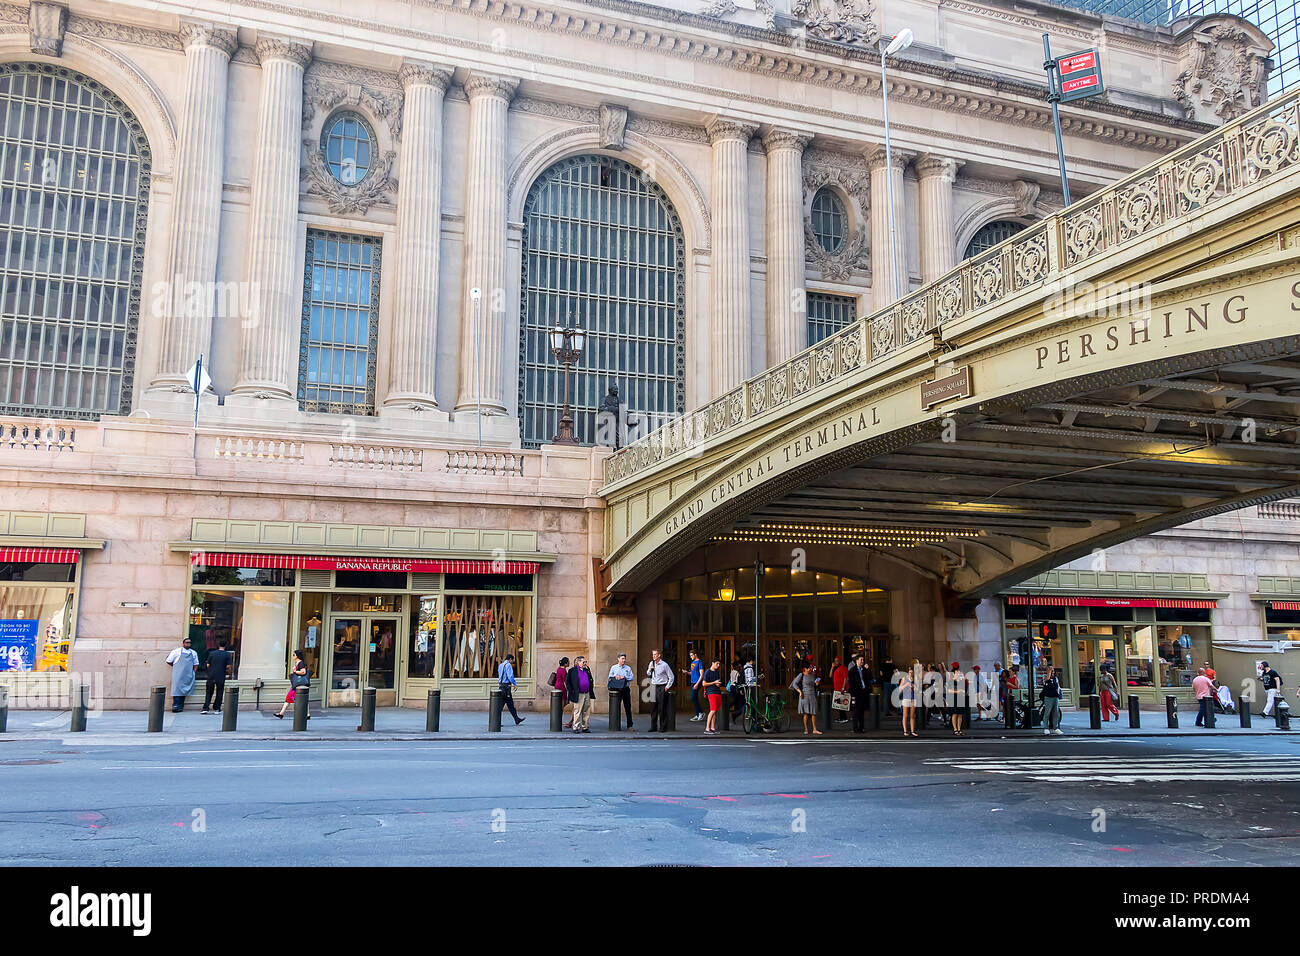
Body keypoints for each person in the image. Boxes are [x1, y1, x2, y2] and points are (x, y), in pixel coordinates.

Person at [165, 637, 200, 713]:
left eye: (189, 643)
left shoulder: (193, 653)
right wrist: (176, 667)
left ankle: (181, 706)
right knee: (176, 690)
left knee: (184, 690)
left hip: (188, 675)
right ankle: (175, 706)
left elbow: (196, 663)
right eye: (187, 642)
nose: (188, 644)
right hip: (178, 674)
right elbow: (168, 660)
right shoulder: (176, 651)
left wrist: (193, 672)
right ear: (183, 643)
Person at [201, 639, 233, 714]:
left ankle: (206, 708)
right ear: (225, 645)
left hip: (211, 675)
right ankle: (216, 708)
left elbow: (208, 665)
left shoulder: (212, 653)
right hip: (221, 675)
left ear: (218, 645)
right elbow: (228, 666)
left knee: (209, 692)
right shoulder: (227, 654)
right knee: (219, 692)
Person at [276, 649, 309, 719]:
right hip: (297, 684)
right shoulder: (297, 663)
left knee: (290, 697)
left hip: (298, 685)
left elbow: (303, 672)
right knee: (302, 699)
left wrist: (295, 671)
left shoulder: (300, 663)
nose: (293, 656)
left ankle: (281, 713)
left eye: (294, 655)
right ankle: (281, 713)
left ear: (297, 656)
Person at [790, 662, 822, 735]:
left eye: (811, 667)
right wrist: (800, 692)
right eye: (809, 668)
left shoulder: (812, 675)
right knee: (806, 713)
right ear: (805, 669)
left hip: (812, 694)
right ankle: (806, 729)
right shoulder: (801, 675)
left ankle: (814, 729)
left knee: (814, 712)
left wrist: (817, 683)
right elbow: (794, 684)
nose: (811, 669)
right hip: (804, 695)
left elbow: (814, 683)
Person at [647, 649, 674, 732]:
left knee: (662, 708)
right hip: (653, 686)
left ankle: (662, 727)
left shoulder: (664, 665)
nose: (653, 656)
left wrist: (667, 687)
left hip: (662, 687)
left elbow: (671, 676)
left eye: (655, 654)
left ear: (659, 655)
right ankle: (653, 726)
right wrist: (650, 670)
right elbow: (648, 673)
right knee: (653, 708)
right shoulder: (651, 663)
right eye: (653, 654)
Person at [566, 655, 595, 733]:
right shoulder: (572, 670)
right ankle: (576, 727)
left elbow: (590, 679)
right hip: (578, 694)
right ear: (578, 662)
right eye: (583, 662)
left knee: (586, 710)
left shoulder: (587, 670)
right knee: (577, 711)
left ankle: (585, 727)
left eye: (585, 662)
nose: (585, 663)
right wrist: (571, 691)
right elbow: (567, 682)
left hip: (587, 693)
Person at [608, 652, 635, 730]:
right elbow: (610, 677)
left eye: (624, 659)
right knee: (616, 707)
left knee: (628, 707)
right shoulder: (614, 667)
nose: (624, 660)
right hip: (616, 690)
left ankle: (630, 725)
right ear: (618, 659)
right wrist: (616, 676)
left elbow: (632, 677)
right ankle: (615, 724)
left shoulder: (628, 668)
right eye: (622, 658)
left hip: (625, 689)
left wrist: (624, 677)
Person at [497, 653, 525, 726]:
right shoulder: (508, 665)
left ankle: (516, 719)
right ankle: (496, 722)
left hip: (501, 686)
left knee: (509, 705)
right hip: (506, 687)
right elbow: (510, 676)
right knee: (502, 705)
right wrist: (515, 684)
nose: (513, 662)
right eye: (512, 660)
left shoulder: (500, 665)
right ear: (510, 659)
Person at [847, 653, 870, 733]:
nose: (862, 661)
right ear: (857, 661)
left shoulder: (863, 669)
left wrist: (867, 670)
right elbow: (851, 684)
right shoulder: (852, 671)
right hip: (856, 693)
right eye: (861, 660)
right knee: (856, 711)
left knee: (862, 711)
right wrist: (853, 695)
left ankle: (861, 728)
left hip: (863, 692)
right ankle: (855, 728)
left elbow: (869, 678)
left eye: (863, 660)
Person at [702, 658, 724, 735]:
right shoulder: (707, 672)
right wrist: (714, 682)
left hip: (717, 692)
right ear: (713, 663)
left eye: (719, 664)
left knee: (715, 711)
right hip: (711, 692)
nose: (718, 665)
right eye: (717, 664)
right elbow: (704, 684)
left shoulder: (716, 672)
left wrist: (717, 684)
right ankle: (707, 728)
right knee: (713, 710)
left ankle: (712, 728)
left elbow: (716, 682)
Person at [1041, 665, 1063, 735]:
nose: (1052, 672)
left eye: (1053, 670)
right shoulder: (1046, 677)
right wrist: (1049, 672)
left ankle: (1055, 727)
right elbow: (1046, 680)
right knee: (1047, 712)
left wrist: (1059, 693)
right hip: (1048, 697)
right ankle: (1046, 728)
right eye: (1051, 670)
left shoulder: (1055, 678)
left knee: (1056, 712)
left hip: (1055, 697)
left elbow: (1058, 686)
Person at [949, 662, 968, 737]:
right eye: (957, 673)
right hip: (954, 697)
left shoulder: (961, 680)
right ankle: (955, 729)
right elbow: (949, 690)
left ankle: (959, 729)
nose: (958, 674)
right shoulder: (951, 680)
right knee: (955, 713)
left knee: (960, 714)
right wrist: (958, 691)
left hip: (960, 697)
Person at [900, 662, 918, 737]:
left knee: (912, 716)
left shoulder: (916, 679)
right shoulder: (904, 679)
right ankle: (905, 731)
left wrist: (914, 688)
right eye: (909, 672)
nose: (911, 673)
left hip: (913, 698)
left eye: (912, 672)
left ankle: (912, 731)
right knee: (905, 715)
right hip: (906, 698)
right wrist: (906, 685)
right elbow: (900, 688)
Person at [552, 656, 571, 728]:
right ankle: (559, 719)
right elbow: (564, 682)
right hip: (562, 688)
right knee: (561, 705)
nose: (569, 663)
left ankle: (559, 719)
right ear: (565, 663)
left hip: (557, 686)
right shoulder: (563, 670)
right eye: (568, 662)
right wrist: (568, 689)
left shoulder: (559, 669)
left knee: (560, 704)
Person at [686, 650, 704, 722]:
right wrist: (687, 672)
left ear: (695, 654)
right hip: (692, 682)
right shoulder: (692, 662)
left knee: (693, 697)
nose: (690, 657)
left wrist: (697, 684)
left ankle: (701, 713)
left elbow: (701, 674)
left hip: (697, 682)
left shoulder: (700, 662)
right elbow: (692, 673)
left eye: (691, 655)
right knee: (695, 698)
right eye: (690, 656)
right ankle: (698, 714)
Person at [831, 656, 849, 723]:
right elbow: (830, 676)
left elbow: (845, 679)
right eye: (835, 660)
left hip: (841, 689)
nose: (836, 662)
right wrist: (832, 667)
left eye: (837, 660)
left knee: (842, 705)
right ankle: (841, 717)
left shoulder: (844, 668)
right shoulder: (835, 669)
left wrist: (843, 688)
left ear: (840, 661)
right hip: (836, 688)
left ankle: (844, 718)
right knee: (838, 705)